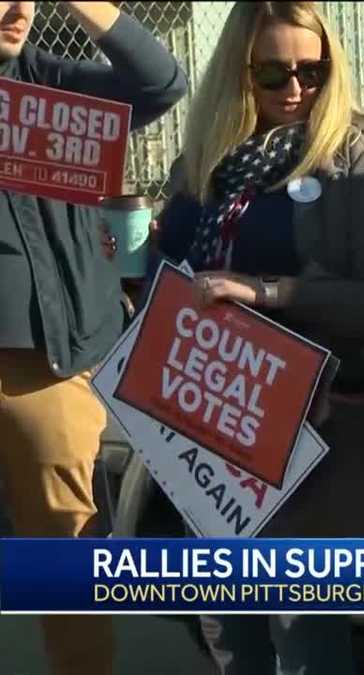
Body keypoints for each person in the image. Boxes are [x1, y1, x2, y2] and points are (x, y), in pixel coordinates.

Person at [152, 2, 364, 673]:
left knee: (303, 631)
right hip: (204, 418)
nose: (296, 89)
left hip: (307, 425)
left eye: (312, 70)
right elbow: (167, 274)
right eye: (273, 72)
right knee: (226, 626)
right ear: (238, 72)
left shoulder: (359, 154)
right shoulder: (203, 160)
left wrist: (264, 290)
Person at [0, 2, 186, 674]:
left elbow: (160, 83)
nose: (19, 8)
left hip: (48, 364)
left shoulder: (52, 83)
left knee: (66, 556)